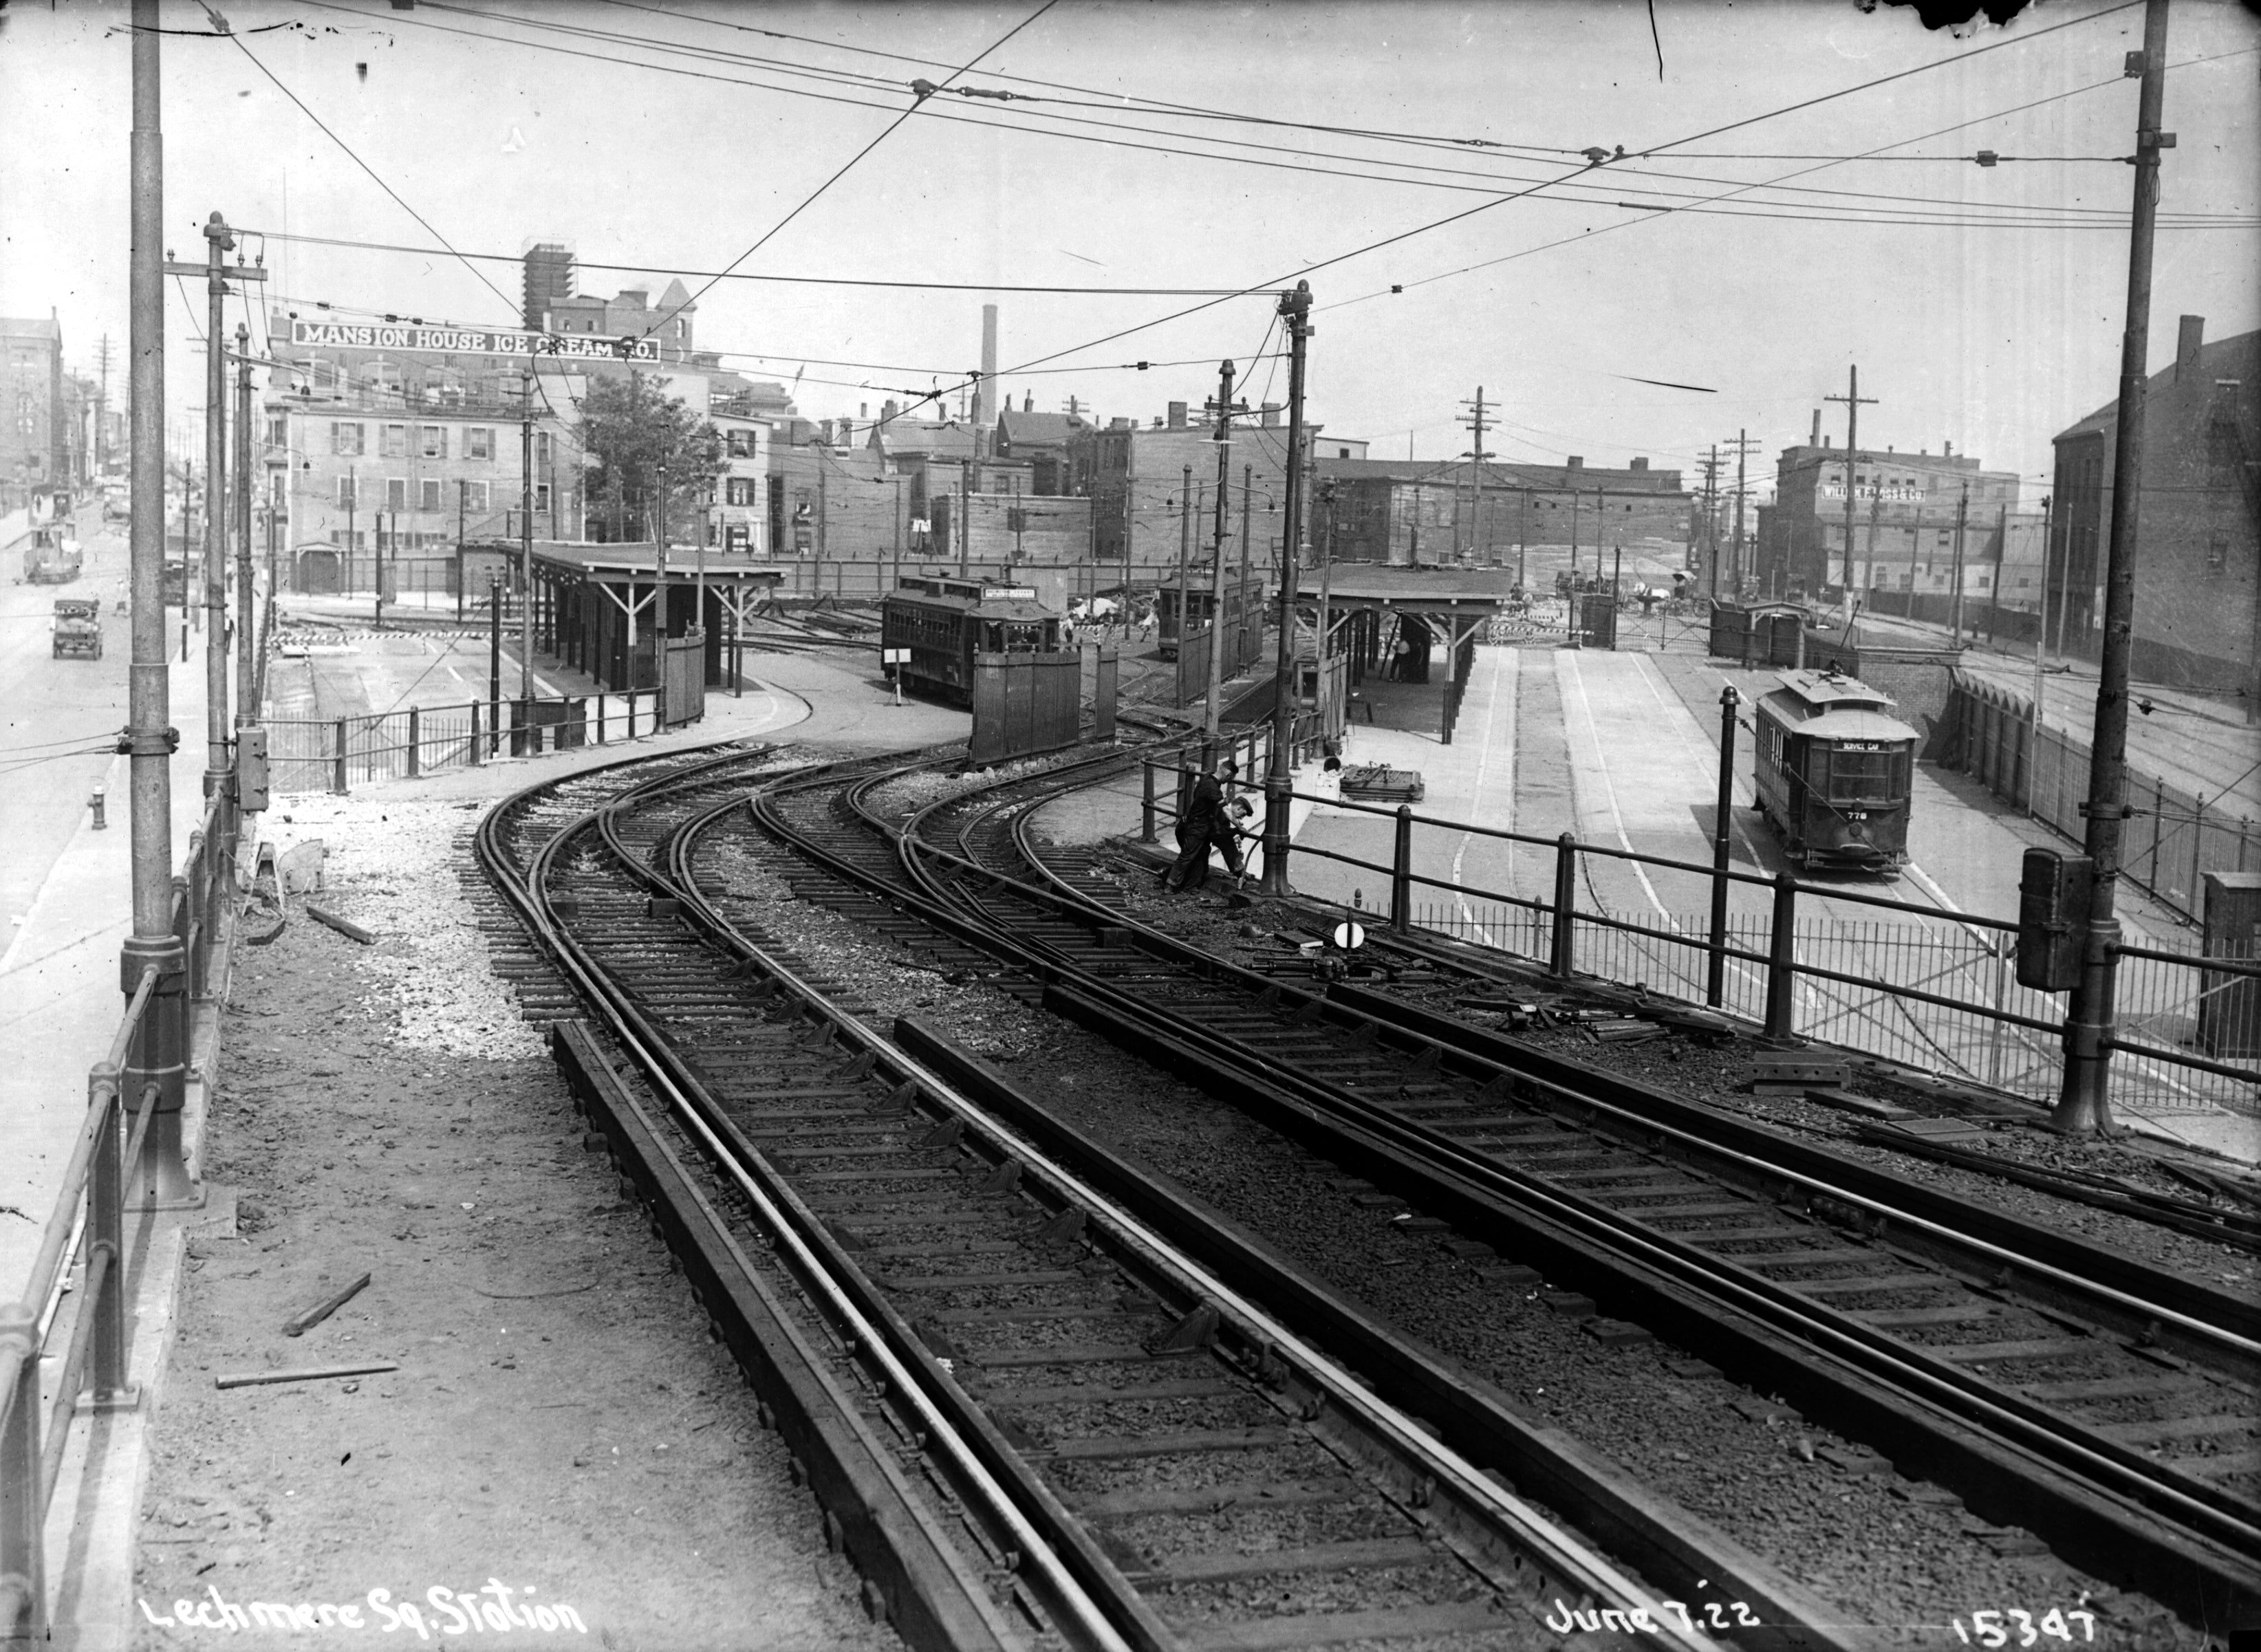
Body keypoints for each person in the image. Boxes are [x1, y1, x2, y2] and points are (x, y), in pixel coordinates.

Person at [1162, 759, 1242, 892]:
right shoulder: (1213, 788)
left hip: (1198, 824)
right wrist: (1239, 826)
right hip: (1197, 827)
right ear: (1228, 775)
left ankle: (1191, 886)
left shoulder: (1206, 778)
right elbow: (1225, 810)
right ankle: (1170, 885)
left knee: (1202, 853)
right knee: (1188, 856)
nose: (1230, 781)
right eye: (1231, 779)